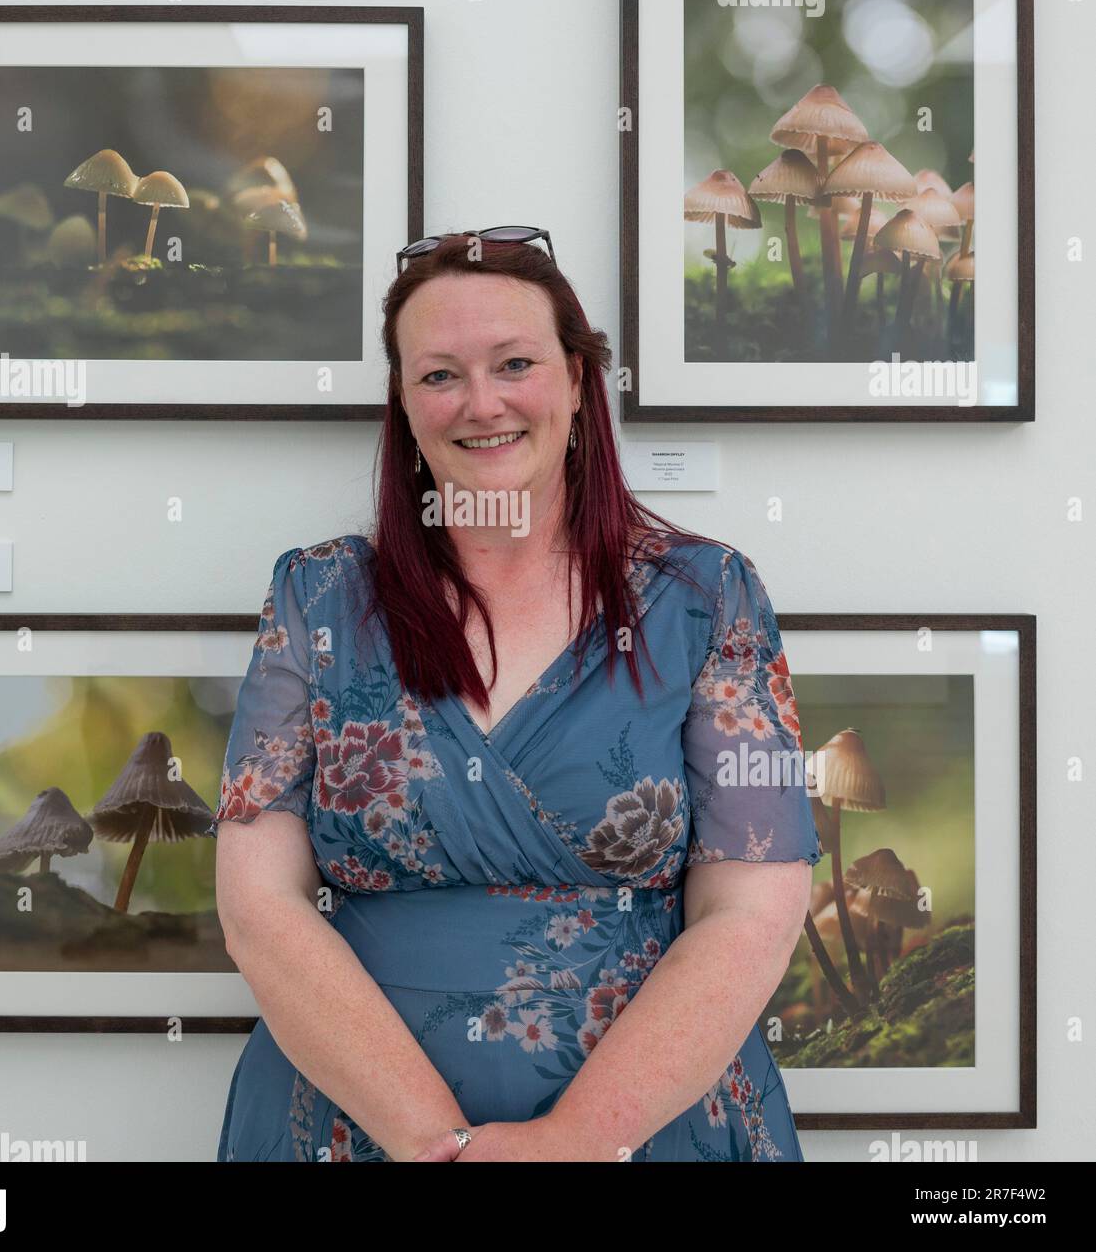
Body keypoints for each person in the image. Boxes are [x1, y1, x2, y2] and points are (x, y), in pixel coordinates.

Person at [211, 228, 822, 1162]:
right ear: (403, 403)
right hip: (350, 1127)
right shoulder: (316, 597)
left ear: (578, 383)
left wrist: (573, 1142)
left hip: (647, 1133)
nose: (481, 402)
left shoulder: (707, 599)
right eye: (439, 374)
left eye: (515, 363)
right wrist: (433, 1141)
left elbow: (752, 912)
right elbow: (261, 908)